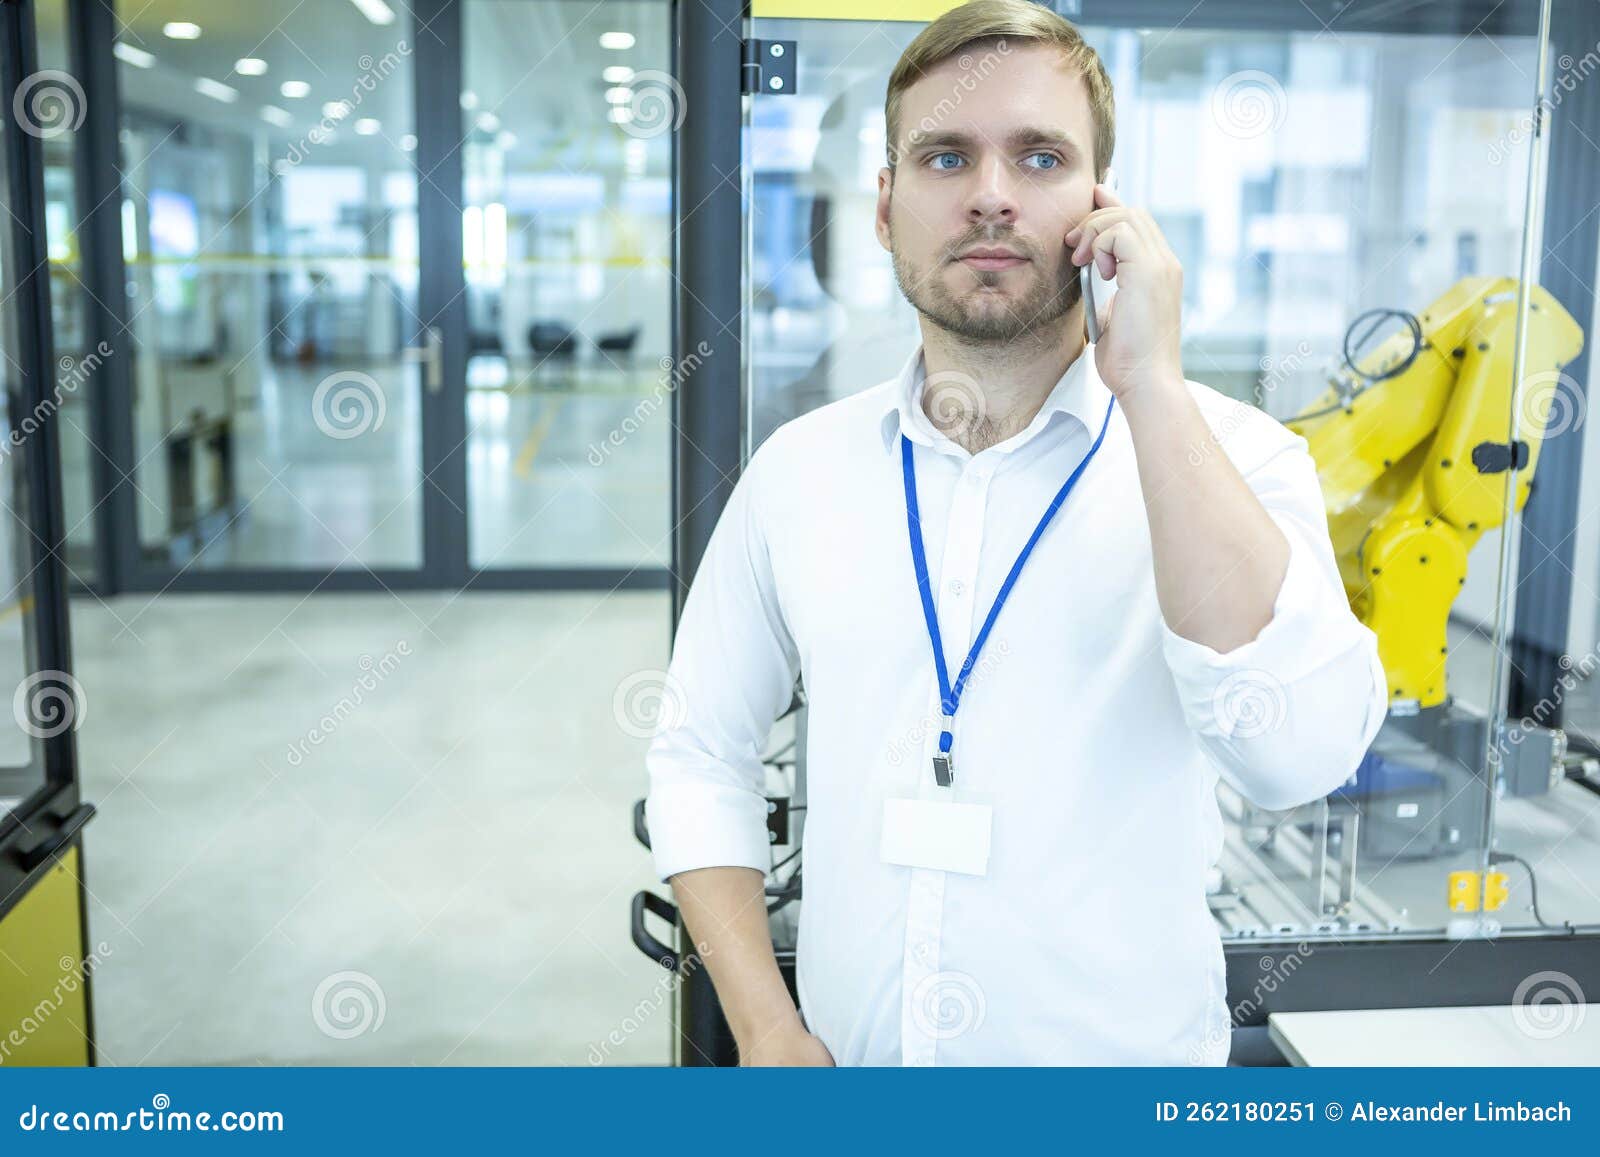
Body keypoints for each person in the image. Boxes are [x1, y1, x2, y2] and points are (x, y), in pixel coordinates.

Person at [644, 0, 1386, 1066]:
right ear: (887, 206)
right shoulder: (799, 473)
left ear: (1101, 206)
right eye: (946, 156)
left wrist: (1153, 390)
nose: (991, 195)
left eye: (1039, 157)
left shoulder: (1235, 454)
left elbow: (1294, 756)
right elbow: (698, 755)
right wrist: (765, 1026)